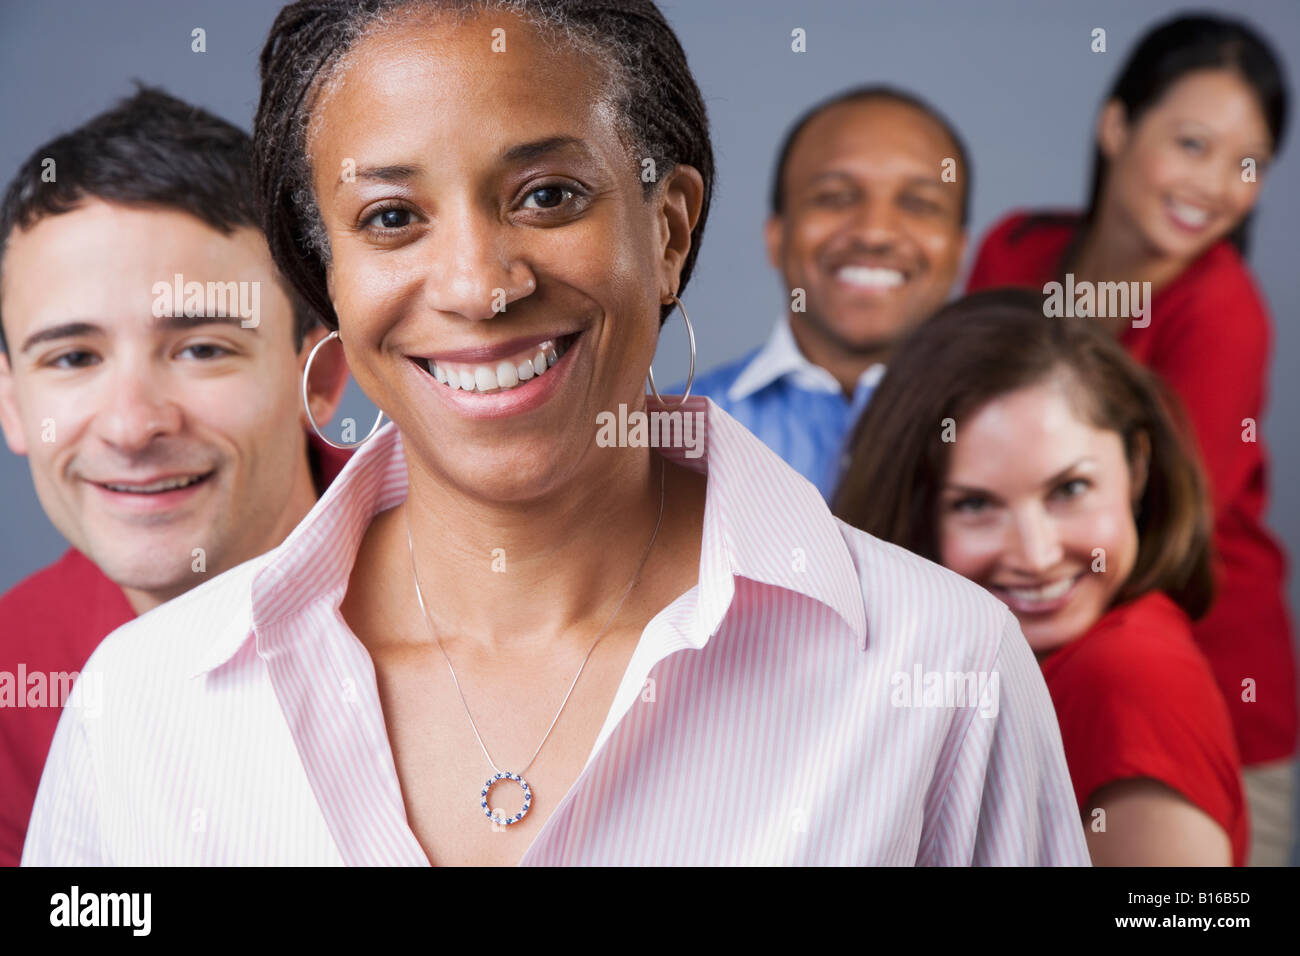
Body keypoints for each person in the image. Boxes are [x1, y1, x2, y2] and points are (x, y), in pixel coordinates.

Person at [23, 0, 1087, 866]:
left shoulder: (943, 667)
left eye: (547, 194)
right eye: (392, 217)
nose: (481, 284)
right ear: (326, 278)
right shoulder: (143, 706)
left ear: (666, 232)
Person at [965, 14, 1297, 865]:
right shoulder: (1015, 250)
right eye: (1192, 143)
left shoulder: (1220, 312)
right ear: (1117, 127)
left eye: (1248, 164)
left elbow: (1163, 533)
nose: (1217, 184)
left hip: (1202, 688)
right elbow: (956, 439)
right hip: (1041, 667)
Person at [0, 87, 352, 867]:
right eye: (73, 359)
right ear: (12, 403)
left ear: (319, 378)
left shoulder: (493, 577)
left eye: (201, 349)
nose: (132, 426)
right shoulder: (10, 683)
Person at [835, 289, 1249, 865]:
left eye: (1070, 489)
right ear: (918, 517)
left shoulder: (1129, 680)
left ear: (1136, 467)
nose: (1035, 554)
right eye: (976, 505)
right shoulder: (998, 670)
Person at [679, 85, 969, 499]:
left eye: (920, 203)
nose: (875, 233)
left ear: (959, 251)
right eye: (834, 197)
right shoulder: (667, 439)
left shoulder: (1026, 431)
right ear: (776, 237)